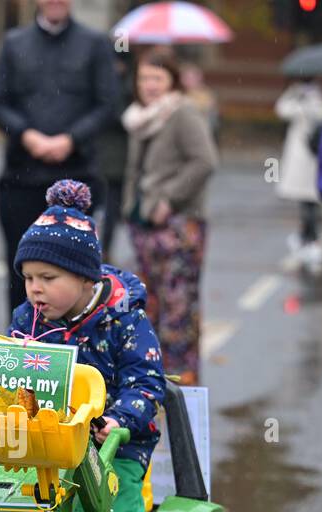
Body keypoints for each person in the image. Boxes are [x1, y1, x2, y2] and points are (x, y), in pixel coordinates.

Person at [9, 180, 165, 512]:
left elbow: (146, 384)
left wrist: (118, 421)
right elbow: (12, 375)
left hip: (112, 448)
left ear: (84, 278)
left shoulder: (123, 319)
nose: (35, 289)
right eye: (28, 278)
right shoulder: (27, 319)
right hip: (46, 444)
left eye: (47, 277)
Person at [0, 0, 120, 317]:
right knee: (21, 271)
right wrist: (26, 134)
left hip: (78, 179)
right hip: (21, 179)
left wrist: (71, 139)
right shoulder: (13, 43)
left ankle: (78, 351)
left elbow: (108, 104)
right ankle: (24, 344)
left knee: (79, 273)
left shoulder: (95, 44)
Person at [122, 48, 218, 385]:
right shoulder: (140, 117)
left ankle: (183, 383)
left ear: (172, 81)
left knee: (179, 309)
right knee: (150, 306)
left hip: (179, 226)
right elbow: (137, 171)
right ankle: (154, 380)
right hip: (145, 224)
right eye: (144, 78)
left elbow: (205, 161)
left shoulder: (183, 114)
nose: (149, 85)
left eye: (157, 78)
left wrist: (169, 199)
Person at [275, 78, 322, 272]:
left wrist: (305, 102)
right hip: (302, 160)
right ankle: (306, 238)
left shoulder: (318, 102)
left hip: (311, 159)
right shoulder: (299, 100)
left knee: (310, 204)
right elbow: (282, 110)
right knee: (306, 202)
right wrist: (294, 94)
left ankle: (312, 241)